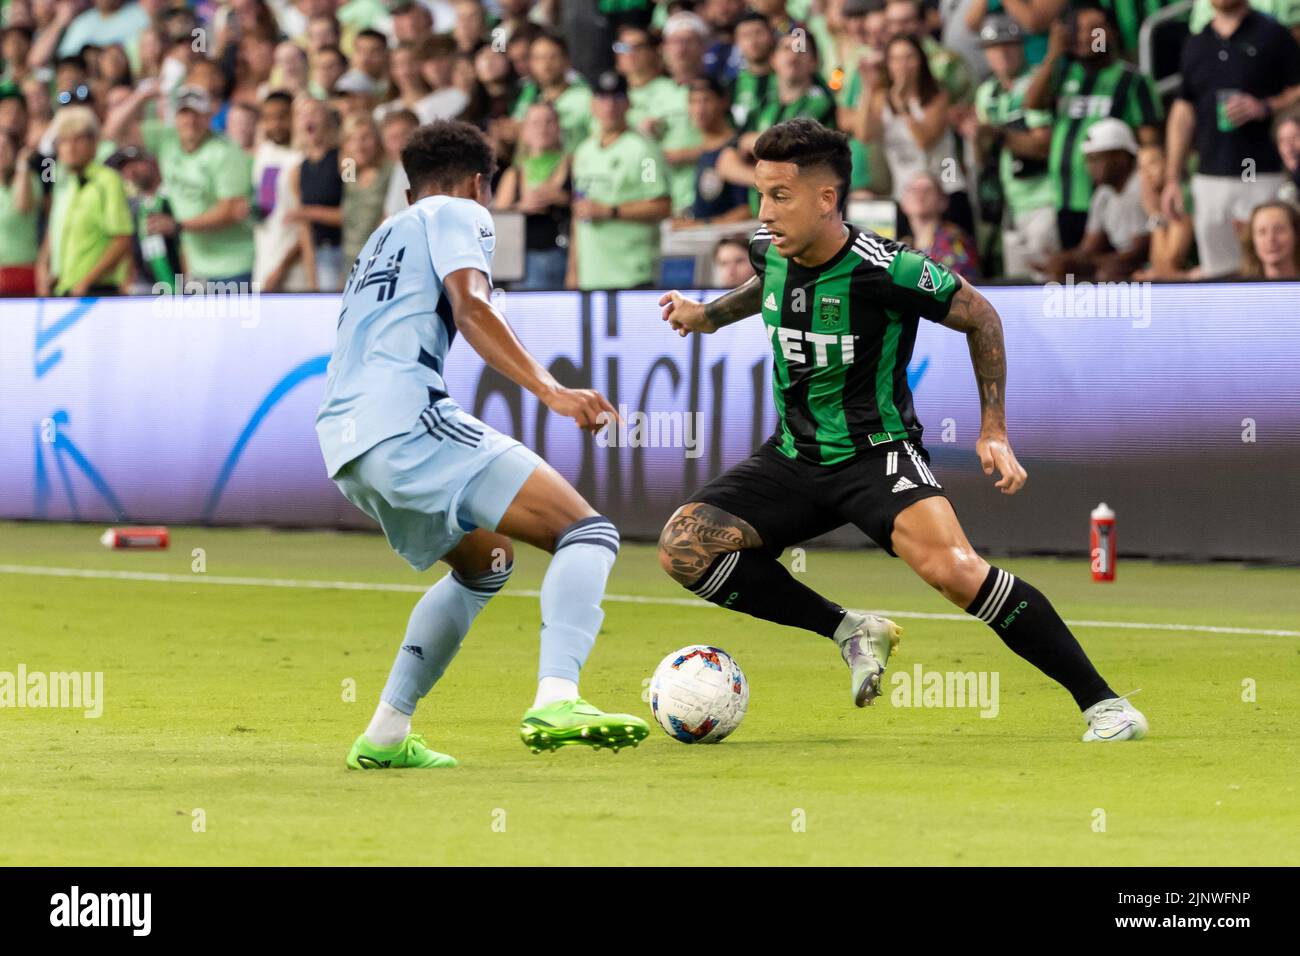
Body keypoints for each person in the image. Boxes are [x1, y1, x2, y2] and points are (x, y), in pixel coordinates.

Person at [656, 118, 1147, 743]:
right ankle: (850, 630)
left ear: (827, 199)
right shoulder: (769, 249)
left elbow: (982, 316)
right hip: (794, 455)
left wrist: (993, 428)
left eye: (780, 195)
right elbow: (763, 288)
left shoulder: (888, 269)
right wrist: (709, 315)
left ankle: (1105, 705)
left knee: (957, 573)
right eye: (761, 193)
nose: (765, 211)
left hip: (875, 454)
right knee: (683, 547)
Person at [316, 119, 648, 769]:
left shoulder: (382, 236)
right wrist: (553, 391)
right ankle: (558, 697)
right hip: (406, 419)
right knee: (589, 533)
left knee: (485, 564)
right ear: (477, 183)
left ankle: (385, 735)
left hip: (345, 442)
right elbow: (472, 306)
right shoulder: (460, 211)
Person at [1162, 0, 1300, 277]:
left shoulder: (1272, 34)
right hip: (1210, 175)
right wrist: (1173, 178)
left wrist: (1266, 106)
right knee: (1217, 273)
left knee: (1271, 267)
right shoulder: (1196, 43)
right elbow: (1183, 110)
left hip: (1262, 172)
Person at [1024, 3, 1162, 250]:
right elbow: (1032, 103)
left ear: (1112, 32)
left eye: (1094, 29)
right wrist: (1053, 54)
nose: (1085, 37)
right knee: (1075, 279)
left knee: (1112, 278)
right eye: (1078, 30)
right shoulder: (1065, 75)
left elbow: (1150, 144)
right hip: (1066, 199)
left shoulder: (1133, 81)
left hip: (1113, 201)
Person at [967, 14, 1055, 279]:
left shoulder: (1035, 83)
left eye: (1009, 45)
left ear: (1021, 46)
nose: (1002, 53)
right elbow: (983, 159)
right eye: (994, 48)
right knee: (1016, 283)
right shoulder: (986, 93)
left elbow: (1045, 146)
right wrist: (976, 138)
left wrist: (997, 134)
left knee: (1046, 281)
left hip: (1045, 199)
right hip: (1010, 204)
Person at [568, 70, 671, 290]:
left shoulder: (644, 151)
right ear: (592, 104)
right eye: (602, 98)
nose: (609, 106)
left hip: (632, 272)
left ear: (628, 104)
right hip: (592, 274)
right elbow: (579, 212)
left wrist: (610, 211)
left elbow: (662, 205)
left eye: (617, 98)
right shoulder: (584, 151)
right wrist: (573, 270)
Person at [37, 106, 132, 296]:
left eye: (78, 139)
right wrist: (44, 269)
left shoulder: (108, 181)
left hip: (98, 290)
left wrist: (87, 281)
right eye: (64, 141)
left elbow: (122, 239)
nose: (70, 147)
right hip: (64, 289)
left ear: (94, 143)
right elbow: (54, 232)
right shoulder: (64, 185)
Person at [1037, 118, 1148, 281]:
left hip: (1147, 271)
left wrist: (1093, 263)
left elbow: (1139, 252)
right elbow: (1088, 249)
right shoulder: (1102, 194)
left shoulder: (1140, 187)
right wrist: (1061, 260)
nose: (1090, 167)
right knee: (1063, 272)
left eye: (1096, 158)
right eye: (1087, 160)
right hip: (1121, 266)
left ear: (1121, 156)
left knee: (1107, 273)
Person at [493, 101, 572, 290]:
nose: (542, 128)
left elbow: (587, 205)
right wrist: (522, 207)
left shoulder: (574, 165)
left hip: (568, 256)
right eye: (535, 123)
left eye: (549, 122)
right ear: (525, 130)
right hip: (526, 260)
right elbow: (496, 221)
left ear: (558, 127)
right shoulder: (515, 173)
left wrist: (563, 198)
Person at [900, 171, 980, 279]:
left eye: (927, 190)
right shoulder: (904, 245)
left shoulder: (954, 241)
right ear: (903, 203)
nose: (920, 195)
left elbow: (959, 286)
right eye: (913, 190)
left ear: (943, 202)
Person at [1239, 200, 1300, 278]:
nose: (1270, 239)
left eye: (1279, 230)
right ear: (1252, 239)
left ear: (1296, 234)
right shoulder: (1234, 287)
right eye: (1262, 232)